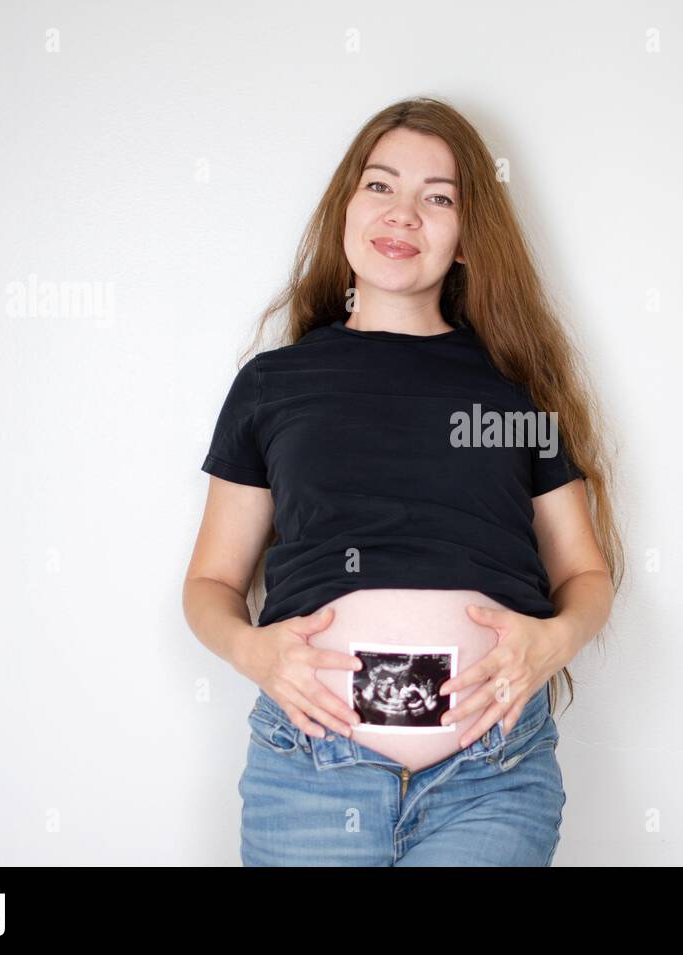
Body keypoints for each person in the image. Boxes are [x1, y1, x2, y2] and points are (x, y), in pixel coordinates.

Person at [182, 96, 622, 866]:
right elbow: (210, 583)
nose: (404, 214)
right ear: (346, 207)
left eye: (439, 197)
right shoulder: (274, 386)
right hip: (309, 776)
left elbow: (585, 572)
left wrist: (551, 641)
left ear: (465, 240)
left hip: (492, 779)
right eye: (380, 186)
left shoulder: (512, 393)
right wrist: (254, 654)